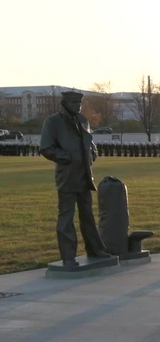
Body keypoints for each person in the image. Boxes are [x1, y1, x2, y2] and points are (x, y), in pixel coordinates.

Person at [39, 91, 111, 266]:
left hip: (85, 176)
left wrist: (92, 153)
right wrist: (67, 157)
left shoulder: (82, 120)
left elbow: (89, 141)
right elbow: (46, 148)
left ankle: (95, 249)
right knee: (66, 217)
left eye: (79, 103)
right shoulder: (53, 122)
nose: (78, 106)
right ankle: (68, 256)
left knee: (88, 216)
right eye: (74, 103)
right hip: (68, 176)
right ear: (64, 103)